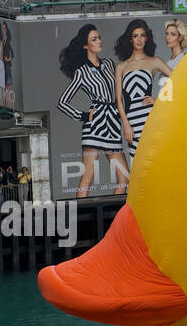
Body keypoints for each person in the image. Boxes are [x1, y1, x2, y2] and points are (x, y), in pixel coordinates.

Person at [58, 23, 129, 197]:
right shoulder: (81, 72)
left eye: (99, 38)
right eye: (94, 39)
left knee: (125, 178)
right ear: (85, 45)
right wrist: (83, 115)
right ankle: (80, 216)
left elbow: (118, 92)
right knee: (88, 176)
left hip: (112, 123)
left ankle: (113, 218)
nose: (99, 41)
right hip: (95, 125)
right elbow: (62, 102)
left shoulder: (109, 64)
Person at [114, 19, 173, 160]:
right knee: (136, 164)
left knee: (154, 161)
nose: (139, 40)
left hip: (149, 120)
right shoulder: (121, 67)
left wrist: (158, 101)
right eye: (135, 36)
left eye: (142, 35)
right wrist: (126, 125)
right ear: (130, 39)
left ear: (146, 38)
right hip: (132, 124)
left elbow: (178, 79)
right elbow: (119, 100)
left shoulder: (154, 61)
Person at [156, 18, 187, 97]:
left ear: (180, 37)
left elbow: (183, 85)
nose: (168, 37)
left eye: (173, 34)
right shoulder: (168, 62)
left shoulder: (185, 58)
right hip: (165, 105)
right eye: (167, 33)